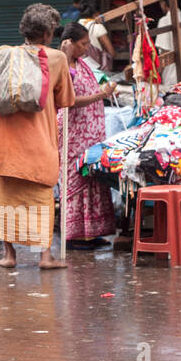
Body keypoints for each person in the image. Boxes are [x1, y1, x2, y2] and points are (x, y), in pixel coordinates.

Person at [0, 3, 75, 270]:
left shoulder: (0, 55)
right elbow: (65, 99)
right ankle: (45, 257)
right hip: (39, 142)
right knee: (41, 199)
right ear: (48, 33)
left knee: (6, 199)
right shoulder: (56, 58)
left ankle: (9, 256)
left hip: (7, 144)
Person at [58, 22, 118, 248]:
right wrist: (100, 95)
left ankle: (91, 233)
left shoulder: (81, 64)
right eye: (83, 44)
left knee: (92, 178)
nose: (86, 48)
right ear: (69, 43)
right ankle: (74, 236)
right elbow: (68, 99)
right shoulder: (63, 65)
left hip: (90, 134)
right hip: (73, 133)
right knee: (75, 180)